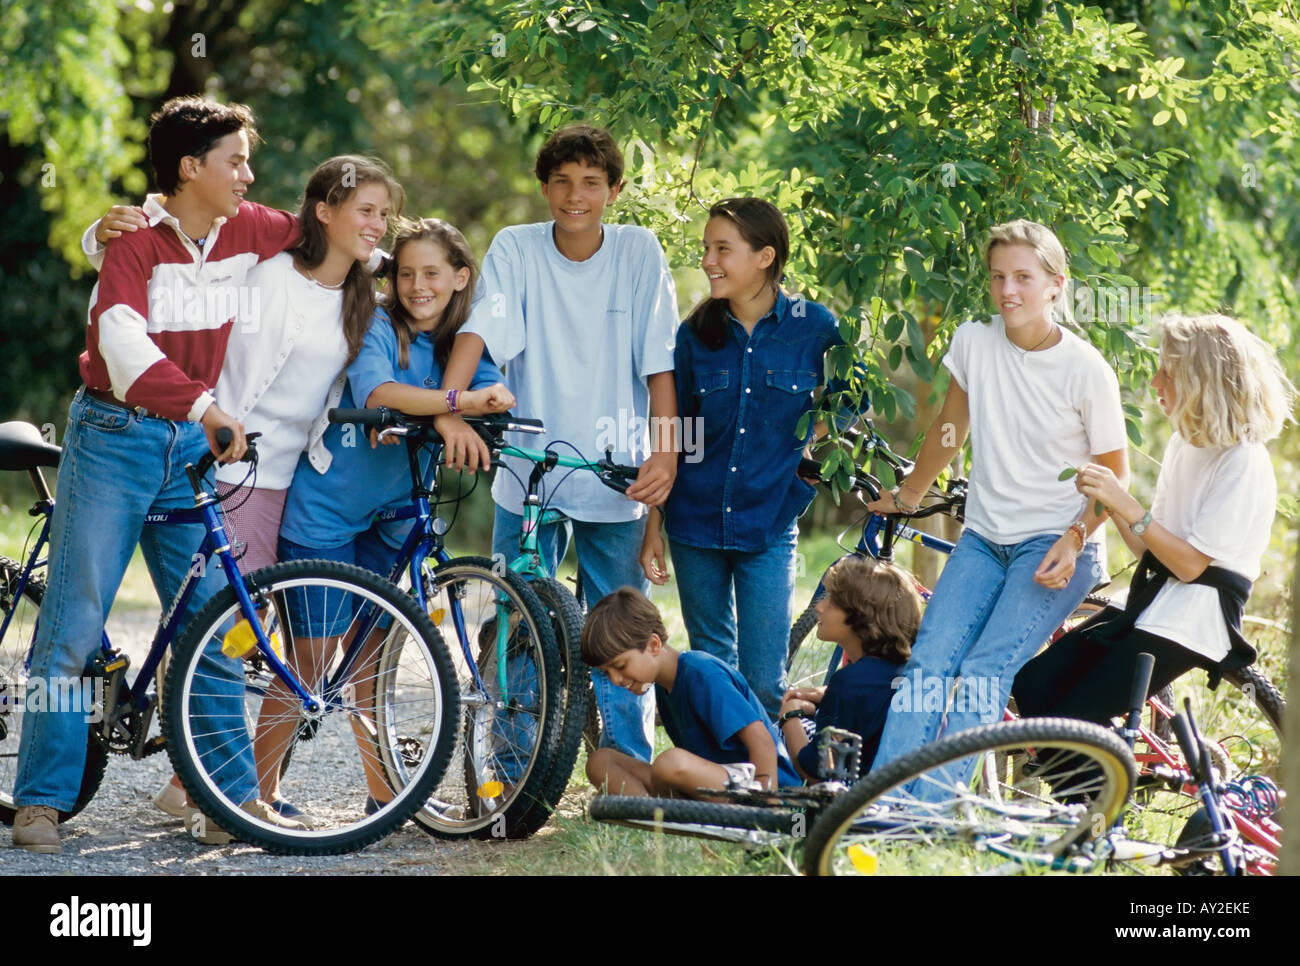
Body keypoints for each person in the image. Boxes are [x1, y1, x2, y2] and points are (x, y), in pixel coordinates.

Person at [12, 96, 303, 853]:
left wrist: (393, 251)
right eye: (235, 160)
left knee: (210, 622)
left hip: (189, 450)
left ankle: (225, 799)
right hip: (115, 438)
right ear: (189, 167)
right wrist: (208, 406)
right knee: (73, 623)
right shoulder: (134, 243)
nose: (249, 173)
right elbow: (123, 344)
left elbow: (328, 229)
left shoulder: (251, 228)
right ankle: (38, 803)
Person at [136, 155, 400, 821]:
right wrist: (115, 227)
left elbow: (432, 274)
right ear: (324, 211)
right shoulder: (268, 268)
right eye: (364, 210)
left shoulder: (365, 287)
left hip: (292, 479)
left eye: (383, 214)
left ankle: (190, 783)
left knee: (268, 635)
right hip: (228, 467)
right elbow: (181, 235)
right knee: (232, 633)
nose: (377, 224)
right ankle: (206, 786)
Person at [434, 124, 680, 763]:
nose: (576, 196)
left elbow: (662, 366)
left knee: (624, 626)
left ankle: (628, 764)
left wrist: (667, 452)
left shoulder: (638, 251)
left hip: (617, 468)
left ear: (615, 190)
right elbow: (480, 333)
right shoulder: (515, 247)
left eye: (592, 183)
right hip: (530, 467)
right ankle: (516, 765)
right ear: (544, 187)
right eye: (562, 182)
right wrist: (450, 409)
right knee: (516, 623)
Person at [866, 218, 1129, 772]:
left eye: (1023, 278)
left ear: (1057, 284)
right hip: (984, 539)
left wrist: (1077, 535)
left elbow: (1114, 478)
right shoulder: (974, 340)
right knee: (927, 665)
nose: (1008, 291)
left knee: (983, 671)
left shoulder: (1086, 369)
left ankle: (935, 811)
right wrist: (910, 492)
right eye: (998, 277)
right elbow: (950, 426)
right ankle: (885, 803)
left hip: (1057, 545)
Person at [272, 217, 512, 809]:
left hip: (398, 513)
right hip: (328, 508)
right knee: (312, 655)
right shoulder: (378, 324)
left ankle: (386, 796)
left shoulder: (462, 344)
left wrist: (459, 412)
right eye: (405, 272)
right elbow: (378, 393)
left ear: (460, 278)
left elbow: (497, 395)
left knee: (371, 660)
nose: (416, 284)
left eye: (431, 272)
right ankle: (251, 794)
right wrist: (453, 405)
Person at [1013, 313, 1295, 722]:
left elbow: (1189, 564)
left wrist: (1126, 504)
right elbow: (1149, 546)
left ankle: (1108, 780)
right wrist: (1109, 499)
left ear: (1201, 381)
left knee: (1070, 724)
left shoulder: (1243, 462)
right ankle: (1106, 774)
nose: (1155, 383)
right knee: (1032, 686)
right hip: (1156, 601)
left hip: (1194, 617)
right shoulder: (1185, 443)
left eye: (1169, 372)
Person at [639, 197, 860, 718]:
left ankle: (767, 785)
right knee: (712, 667)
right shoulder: (695, 336)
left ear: (765, 256)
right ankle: (720, 787)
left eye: (723, 249)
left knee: (764, 678)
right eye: (706, 249)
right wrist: (654, 525)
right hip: (694, 524)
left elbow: (854, 396)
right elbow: (674, 433)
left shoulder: (815, 326)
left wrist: (805, 443)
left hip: (769, 520)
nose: (709, 261)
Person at [582, 588, 800, 797]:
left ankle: (659, 810)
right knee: (601, 761)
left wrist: (768, 805)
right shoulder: (664, 687)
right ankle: (654, 814)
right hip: (709, 785)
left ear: (653, 645)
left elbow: (762, 742)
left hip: (763, 785)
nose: (616, 680)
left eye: (620, 666)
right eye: (606, 673)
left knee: (669, 763)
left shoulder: (702, 673)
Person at [778, 558, 921, 781]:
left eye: (832, 602)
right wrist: (821, 698)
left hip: (849, 797)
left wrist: (790, 713)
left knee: (771, 731)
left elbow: (815, 771)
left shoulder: (848, 682)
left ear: (861, 617)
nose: (819, 607)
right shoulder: (902, 671)